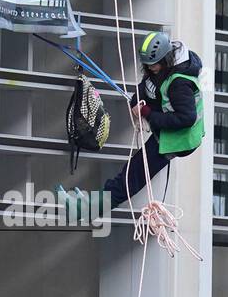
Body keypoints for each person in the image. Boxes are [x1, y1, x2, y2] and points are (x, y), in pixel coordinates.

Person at [57, 30, 205, 218]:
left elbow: (186, 118)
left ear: (166, 59)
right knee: (131, 173)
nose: (151, 69)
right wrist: (137, 100)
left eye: (155, 65)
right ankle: (89, 205)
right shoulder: (162, 69)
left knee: (132, 175)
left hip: (179, 139)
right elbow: (147, 86)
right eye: (148, 65)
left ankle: (86, 209)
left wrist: (147, 113)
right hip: (170, 132)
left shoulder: (179, 83)